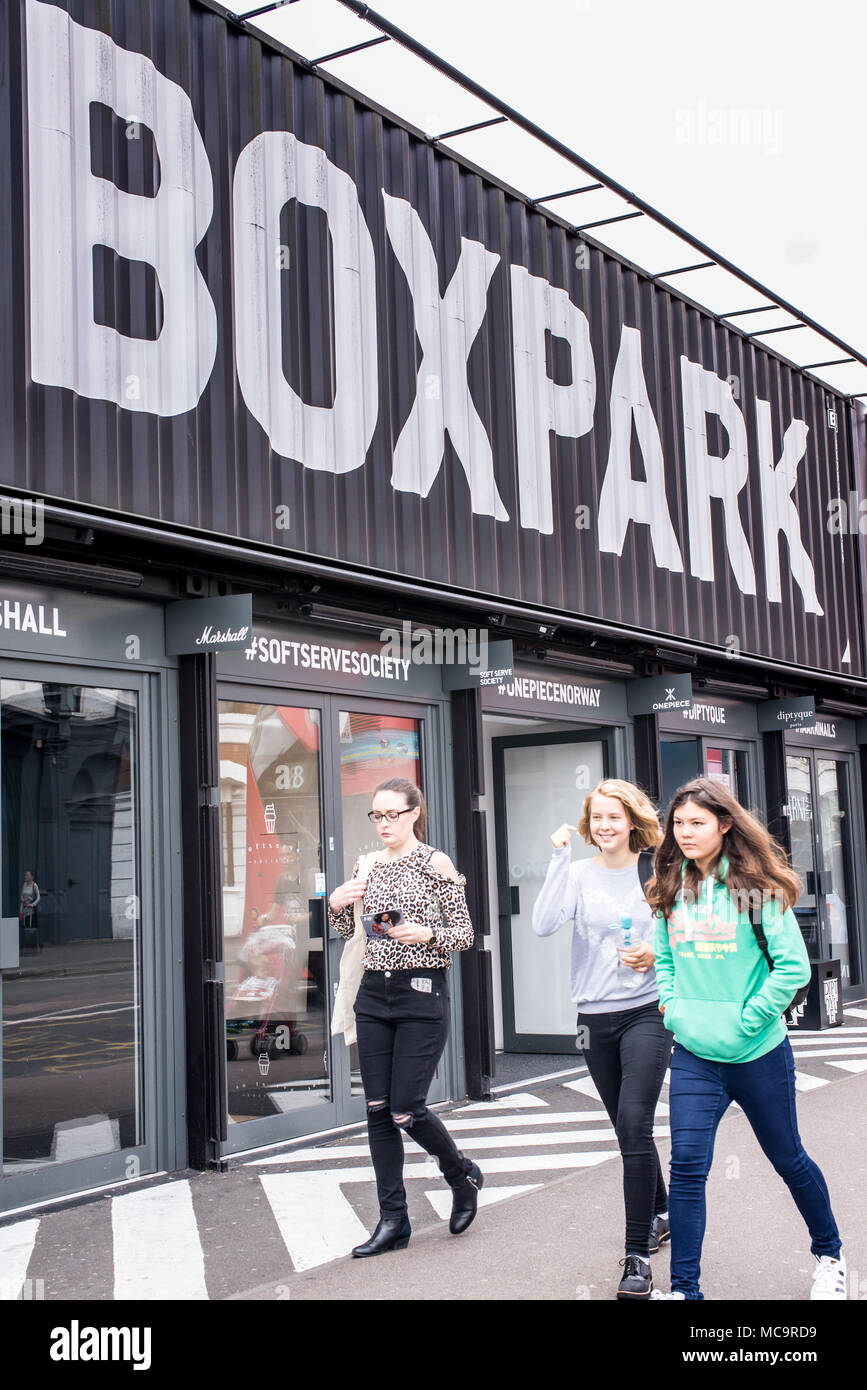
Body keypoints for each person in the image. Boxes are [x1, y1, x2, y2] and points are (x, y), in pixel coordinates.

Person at [646, 777, 846, 1301]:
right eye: (678, 823)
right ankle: (685, 1291)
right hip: (693, 1053)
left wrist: (749, 1018)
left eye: (697, 823)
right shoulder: (671, 884)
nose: (684, 833)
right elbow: (664, 959)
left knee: (788, 1158)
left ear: (725, 824)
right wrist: (673, 1009)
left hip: (757, 1052)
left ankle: (829, 1254)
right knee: (687, 1167)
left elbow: (792, 968)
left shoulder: (753, 887)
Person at [328, 777, 481, 1257]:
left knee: (405, 1108)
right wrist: (334, 903)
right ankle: (393, 1220)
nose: (384, 824)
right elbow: (347, 932)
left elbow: (465, 934)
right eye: (376, 815)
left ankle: (459, 1175)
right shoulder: (366, 864)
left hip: (421, 993)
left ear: (415, 813)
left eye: (393, 814)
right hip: (374, 995)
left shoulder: (435, 861)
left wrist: (427, 934)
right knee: (376, 1110)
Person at [532, 779, 669, 1299]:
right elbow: (543, 924)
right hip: (594, 1017)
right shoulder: (579, 874)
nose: (605, 826)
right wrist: (558, 861)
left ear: (633, 820)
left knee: (635, 1122)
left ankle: (637, 1257)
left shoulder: (655, 872)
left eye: (614, 816)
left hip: (646, 1011)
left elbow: (687, 933)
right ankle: (663, 1210)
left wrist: (655, 955)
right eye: (596, 818)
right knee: (625, 1126)